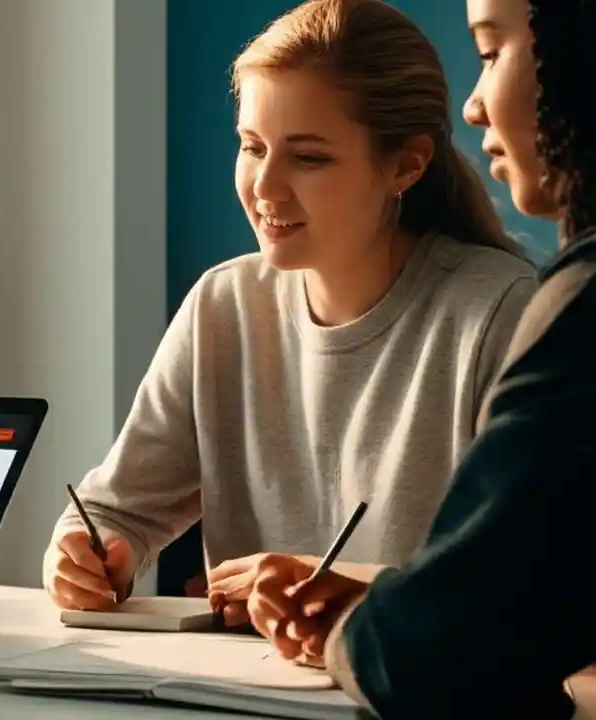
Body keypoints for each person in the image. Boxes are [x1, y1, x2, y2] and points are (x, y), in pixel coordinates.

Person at [43, 0, 538, 627]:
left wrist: (340, 588)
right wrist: (81, 556)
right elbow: (114, 512)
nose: (265, 187)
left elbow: (532, 583)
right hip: (245, 689)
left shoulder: (501, 312)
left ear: (407, 164)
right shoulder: (222, 306)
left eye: (308, 157)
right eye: (252, 147)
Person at [240, 0, 596, 716]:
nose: (472, 106)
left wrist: (364, 627)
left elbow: (442, 647)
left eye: (493, 52)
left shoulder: (553, 307)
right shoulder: (225, 299)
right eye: (251, 145)